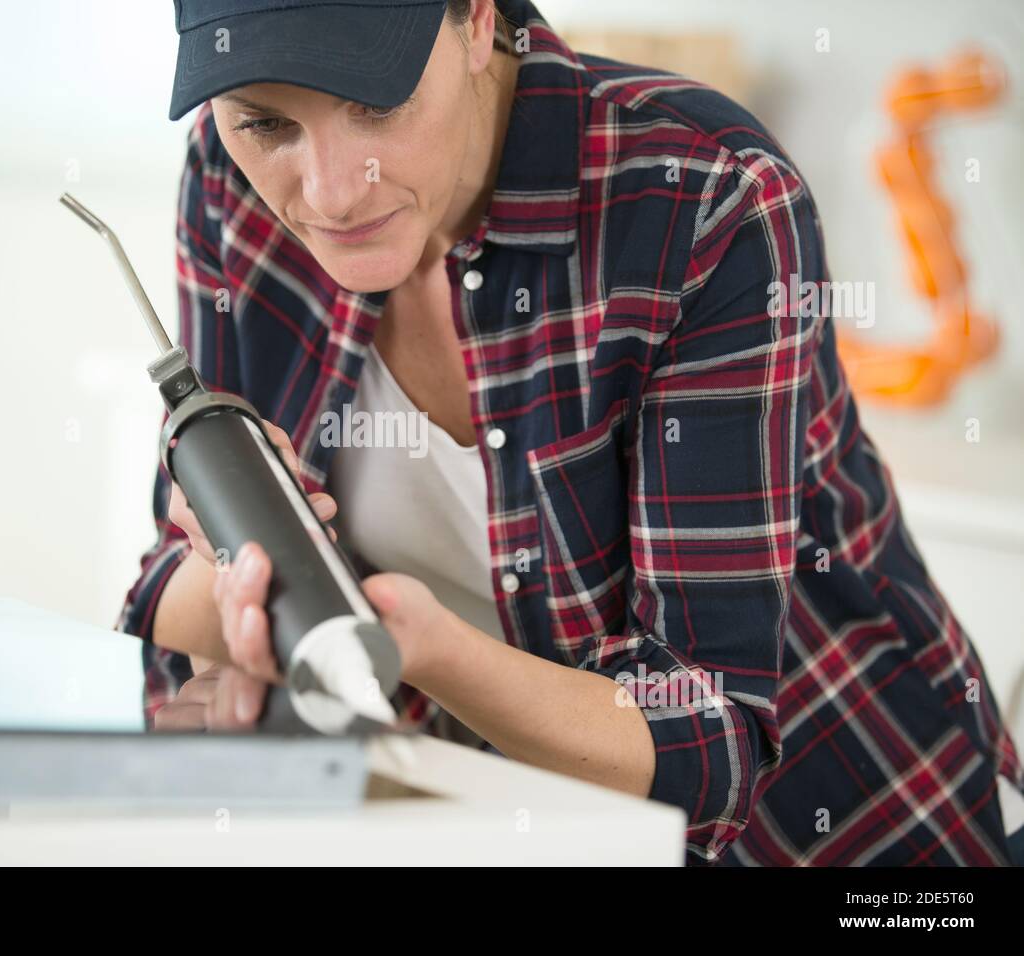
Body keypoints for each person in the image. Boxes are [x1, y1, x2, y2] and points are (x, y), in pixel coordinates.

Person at [117, 0, 1024, 865]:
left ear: (476, 20)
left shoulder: (708, 200)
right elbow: (182, 578)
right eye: (266, 123)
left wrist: (417, 648)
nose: (329, 193)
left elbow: (707, 740)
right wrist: (238, 630)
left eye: (375, 102)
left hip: (857, 827)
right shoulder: (228, 183)